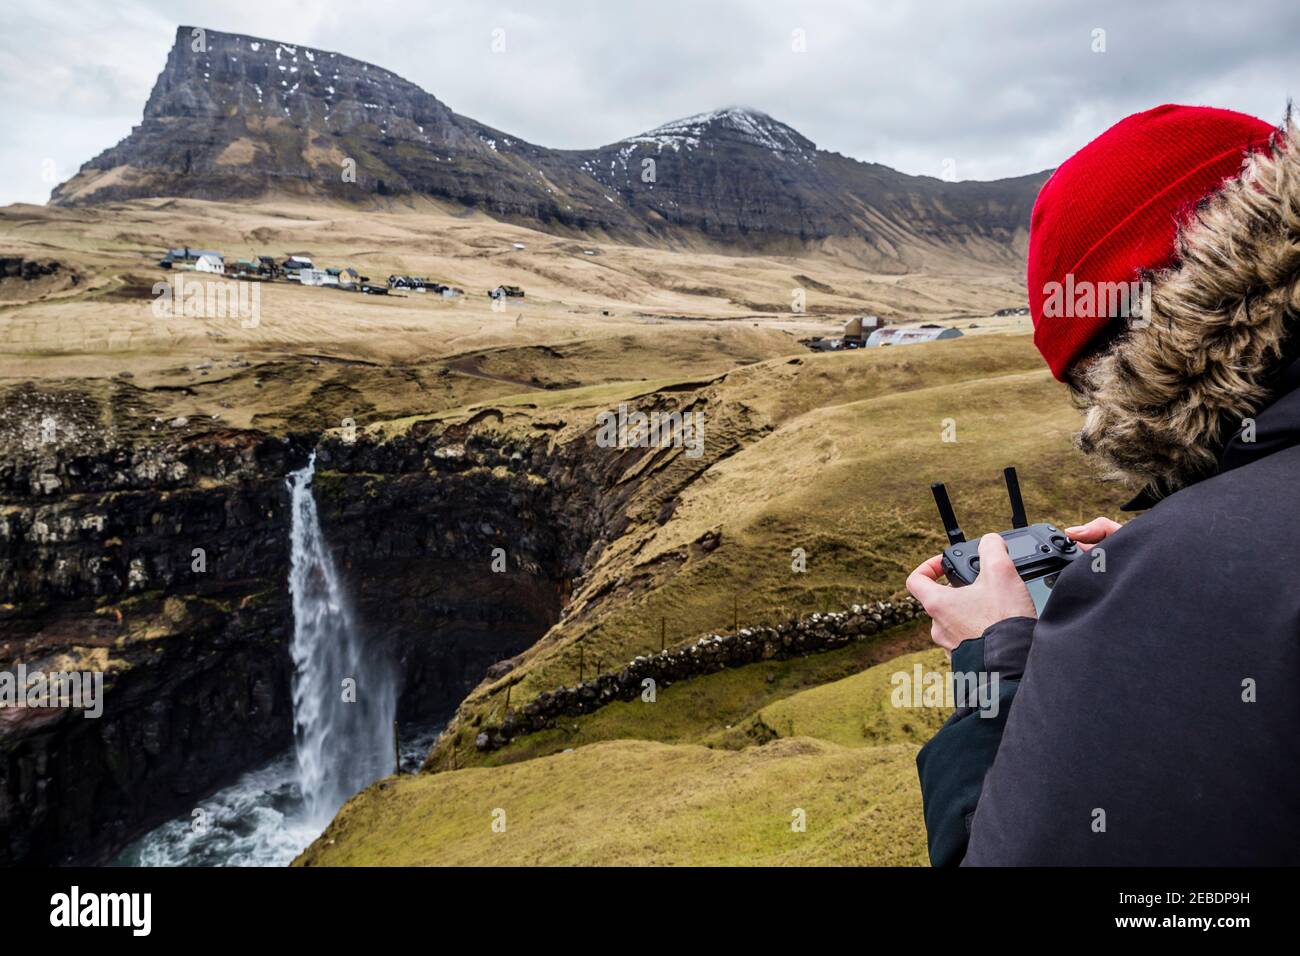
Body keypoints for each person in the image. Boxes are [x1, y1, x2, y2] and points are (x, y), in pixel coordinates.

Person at [906, 104, 1300, 866]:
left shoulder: (1181, 581)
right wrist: (1208, 559)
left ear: (1126, 362)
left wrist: (999, 665)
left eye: (1087, 391)